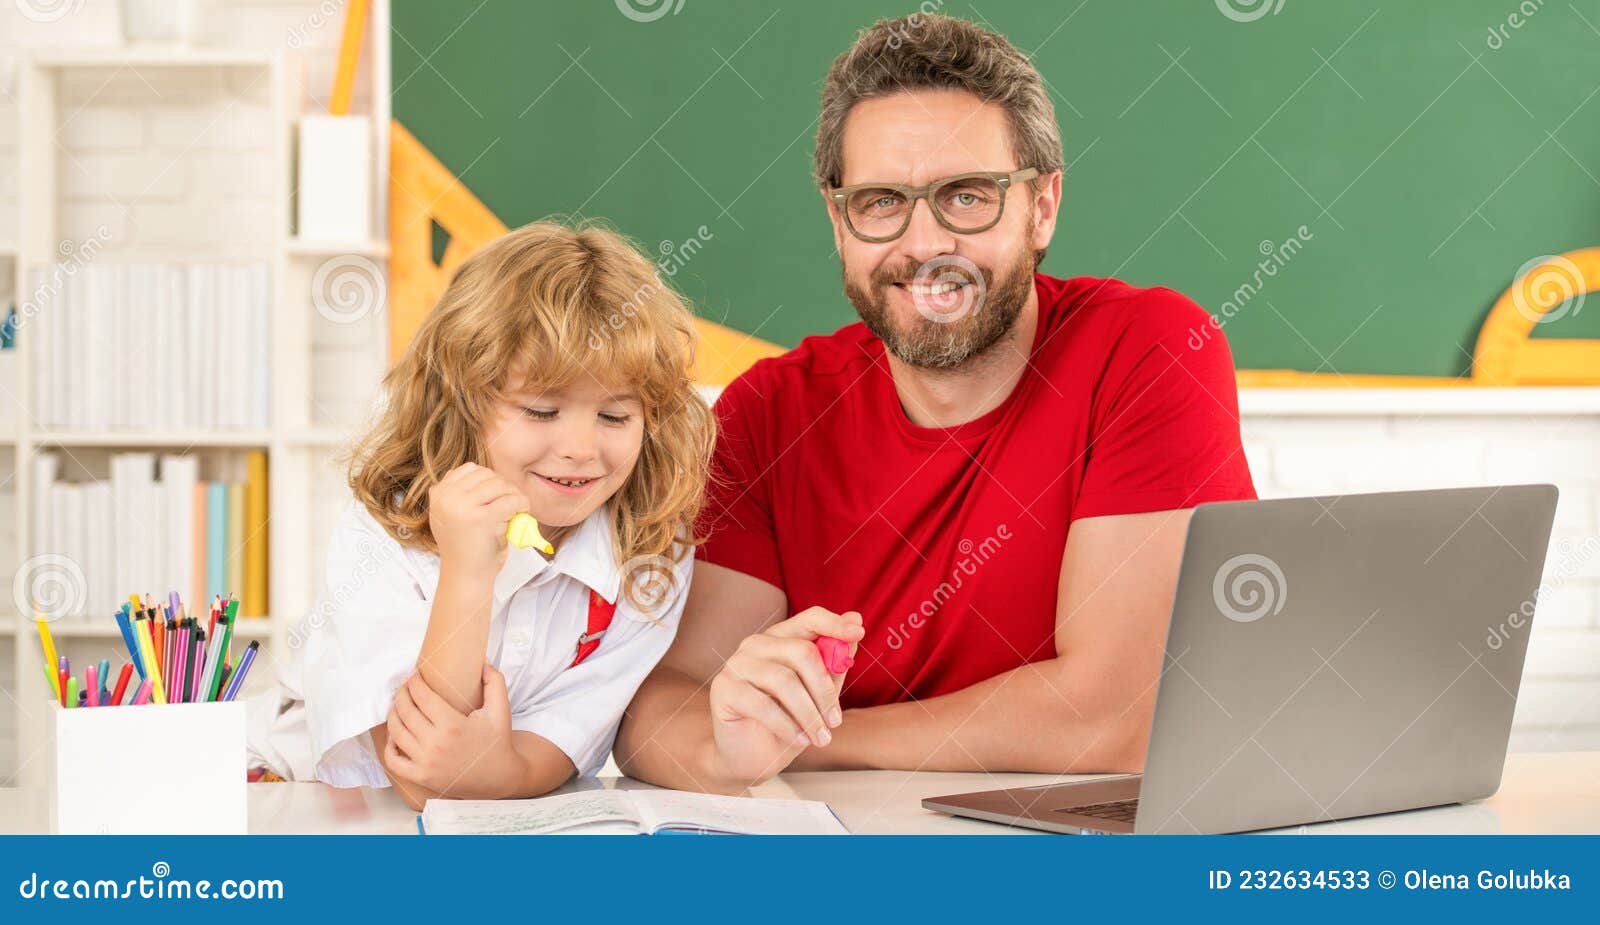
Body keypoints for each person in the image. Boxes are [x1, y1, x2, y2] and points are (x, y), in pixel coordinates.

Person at [616, 14, 1256, 793]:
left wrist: (806, 740)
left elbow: (1117, 718)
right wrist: (725, 747)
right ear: (838, 220)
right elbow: (662, 710)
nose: (924, 244)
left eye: (966, 196)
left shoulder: (1150, 352)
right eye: (882, 202)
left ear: (1042, 206)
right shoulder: (767, 413)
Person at [247, 221, 714, 809]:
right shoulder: (382, 532)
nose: (580, 449)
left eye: (615, 417)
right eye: (541, 411)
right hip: (284, 796)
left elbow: (567, 733)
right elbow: (421, 777)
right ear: (463, 403)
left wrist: (507, 772)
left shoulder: (651, 556)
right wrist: (467, 573)